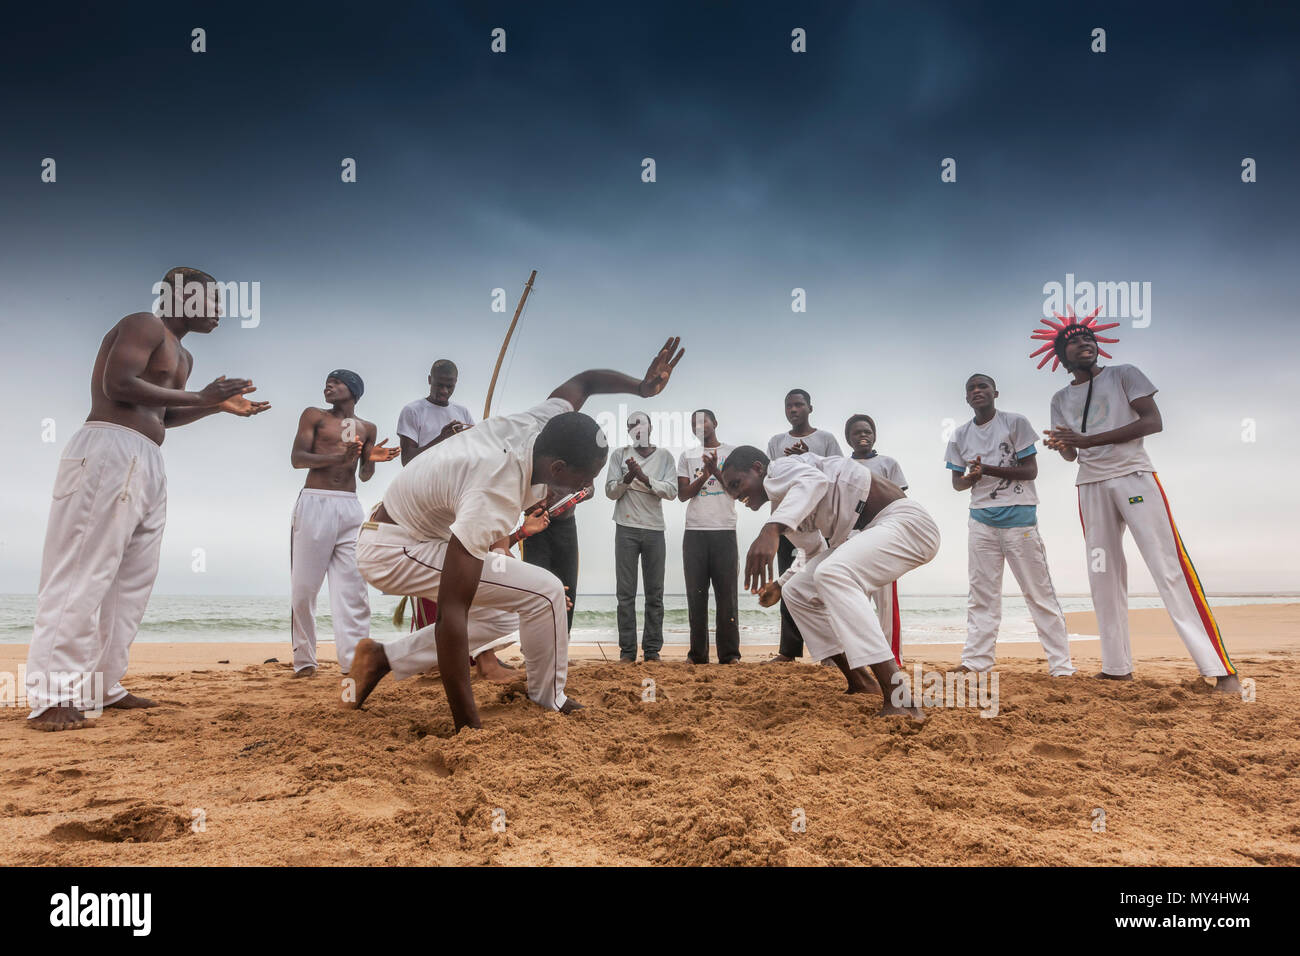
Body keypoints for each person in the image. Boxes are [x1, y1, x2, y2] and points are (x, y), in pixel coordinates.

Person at [345, 337, 685, 730]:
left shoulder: (542, 423)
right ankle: (549, 700)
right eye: (581, 481)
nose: (583, 489)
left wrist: (642, 388)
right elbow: (451, 615)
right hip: (394, 548)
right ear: (556, 468)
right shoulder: (496, 488)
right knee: (547, 591)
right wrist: (466, 726)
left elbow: (586, 381)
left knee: (517, 609)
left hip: (418, 533)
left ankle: (383, 658)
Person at [26, 267, 270, 731]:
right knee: (81, 570)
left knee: (133, 580)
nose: (220, 310)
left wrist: (213, 406)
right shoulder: (143, 325)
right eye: (212, 301)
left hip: (148, 459)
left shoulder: (185, 354)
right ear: (183, 298)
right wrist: (202, 395)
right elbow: (117, 386)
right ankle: (50, 697)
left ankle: (102, 686)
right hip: (107, 448)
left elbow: (165, 415)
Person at [1035, 309, 1239, 692]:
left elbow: (1152, 422)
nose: (1085, 344)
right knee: (1103, 576)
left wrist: (1087, 441)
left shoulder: (1124, 374)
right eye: (1075, 341)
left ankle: (1220, 668)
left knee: (1167, 567)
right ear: (1061, 356)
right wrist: (1063, 446)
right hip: (1091, 484)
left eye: (1088, 338)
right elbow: (1071, 454)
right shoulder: (1060, 397)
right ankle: (1116, 667)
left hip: (1134, 477)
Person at [720, 446, 937, 721]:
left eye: (737, 484)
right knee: (798, 591)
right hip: (869, 534)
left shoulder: (784, 468)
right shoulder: (784, 507)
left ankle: (901, 699)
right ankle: (860, 680)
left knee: (832, 573)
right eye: (731, 491)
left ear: (758, 468)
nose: (736, 495)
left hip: (906, 524)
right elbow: (813, 552)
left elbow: (814, 481)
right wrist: (781, 583)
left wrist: (771, 528)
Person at [944, 375, 1074, 676]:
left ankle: (1061, 666)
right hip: (980, 520)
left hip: (1019, 519)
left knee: (1039, 593)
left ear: (995, 393)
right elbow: (956, 484)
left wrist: (985, 469)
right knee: (981, 595)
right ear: (966, 398)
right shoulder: (959, 435)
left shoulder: (1015, 423)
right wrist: (971, 479)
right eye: (971, 389)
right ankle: (977, 662)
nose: (977, 391)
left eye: (983, 387)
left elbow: (1030, 471)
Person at [395, 358, 513, 681]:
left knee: (464, 574)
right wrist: (442, 438)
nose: (444, 390)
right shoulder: (413, 412)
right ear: (429, 379)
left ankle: (475, 655)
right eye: (439, 384)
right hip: (423, 501)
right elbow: (407, 461)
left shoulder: (463, 412)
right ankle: (434, 656)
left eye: (450, 385)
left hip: (455, 499)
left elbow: (473, 454)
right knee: (433, 577)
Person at [289, 370, 400, 678]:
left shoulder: (368, 427)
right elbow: (297, 458)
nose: (328, 386)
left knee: (353, 587)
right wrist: (339, 455)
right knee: (303, 589)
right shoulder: (315, 416)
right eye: (327, 381)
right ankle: (305, 662)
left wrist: (371, 460)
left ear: (352, 390)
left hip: (350, 507)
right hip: (315, 502)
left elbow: (363, 476)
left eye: (336, 383)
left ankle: (352, 663)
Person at [765, 389, 843, 662]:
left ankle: (830, 652)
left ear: (810, 407)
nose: (793, 409)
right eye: (789, 405)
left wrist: (809, 456)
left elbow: (836, 471)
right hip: (788, 520)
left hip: (820, 521)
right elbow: (771, 480)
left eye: (799, 405)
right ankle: (788, 651)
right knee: (788, 584)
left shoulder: (825, 439)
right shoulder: (776, 441)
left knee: (821, 582)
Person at [606, 412, 678, 662]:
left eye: (640, 423)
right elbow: (610, 492)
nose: (636, 428)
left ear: (651, 427)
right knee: (625, 593)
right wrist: (628, 477)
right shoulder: (619, 455)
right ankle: (627, 652)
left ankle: (652, 651)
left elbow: (671, 492)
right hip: (625, 528)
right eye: (630, 425)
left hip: (655, 529)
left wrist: (645, 478)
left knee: (654, 593)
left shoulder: (665, 457)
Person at [677, 409, 739, 664]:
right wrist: (704, 474)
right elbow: (682, 494)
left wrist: (717, 472)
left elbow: (736, 491)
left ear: (715, 422)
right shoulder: (687, 456)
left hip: (724, 529)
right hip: (695, 531)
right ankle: (697, 655)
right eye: (693, 423)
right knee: (696, 595)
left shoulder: (733, 453)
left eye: (703, 421)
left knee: (727, 595)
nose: (698, 426)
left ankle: (730, 655)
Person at [845, 413, 908, 664]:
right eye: (857, 433)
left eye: (867, 432)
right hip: (851, 540)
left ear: (874, 435)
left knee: (886, 605)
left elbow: (900, 500)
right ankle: (859, 657)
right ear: (848, 438)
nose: (862, 436)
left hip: (883, 538)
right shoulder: (843, 466)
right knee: (854, 602)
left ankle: (893, 658)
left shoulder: (887, 464)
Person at [519, 483, 593, 632]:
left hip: (566, 524)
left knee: (567, 587)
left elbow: (590, 488)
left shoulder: (577, 460)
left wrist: (583, 493)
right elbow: (514, 485)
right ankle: (532, 646)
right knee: (534, 589)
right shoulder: (530, 459)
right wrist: (529, 499)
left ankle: (563, 642)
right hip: (534, 523)